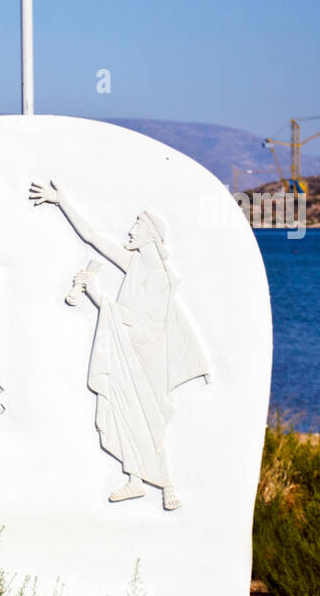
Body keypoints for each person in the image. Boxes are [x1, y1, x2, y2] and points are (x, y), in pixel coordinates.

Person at [29, 178, 210, 510]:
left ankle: (168, 485)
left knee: (151, 421)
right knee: (124, 413)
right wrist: (61, 200)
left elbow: (131, 319)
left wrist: (94, 292)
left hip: (149, 357)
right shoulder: (136, 263)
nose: (129, 232)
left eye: (136, 227)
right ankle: (136, 481)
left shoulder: (161, 278)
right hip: (129, 353)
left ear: (150, 236)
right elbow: (94, 237)